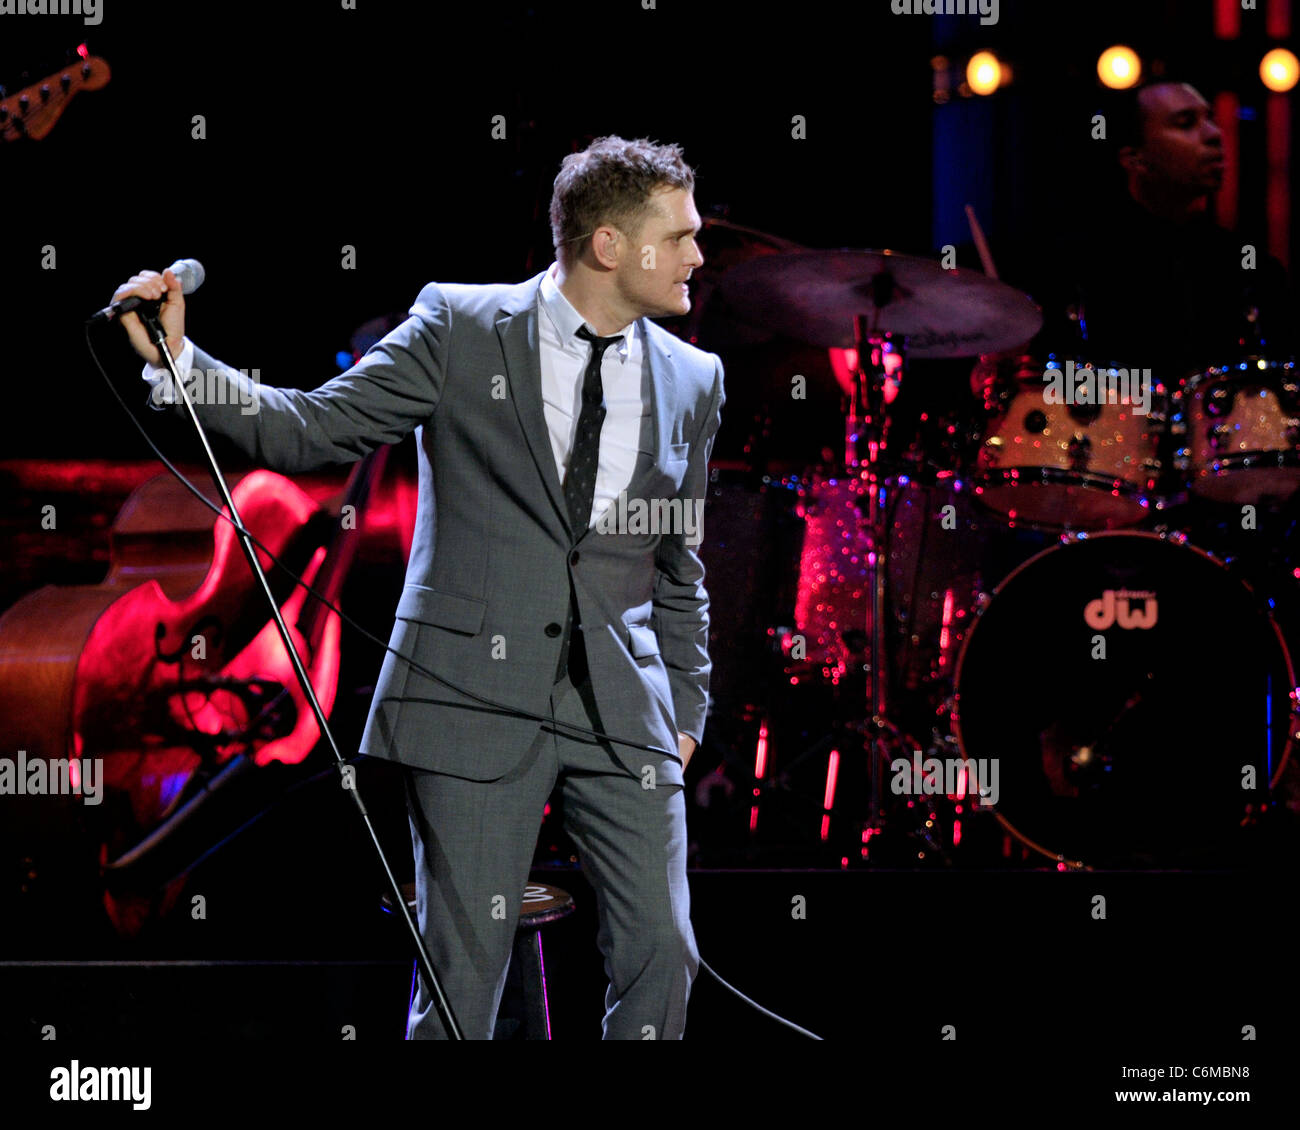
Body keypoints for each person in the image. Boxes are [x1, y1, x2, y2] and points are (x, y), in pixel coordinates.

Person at [108, 135, 725, 1039]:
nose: (699, 257)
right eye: (679, 237)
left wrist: (687, 708)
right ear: (607, 247)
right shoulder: (460, 325)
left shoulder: (694, 378)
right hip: (468, 699)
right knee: (460, 988)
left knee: (664, 957)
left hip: (626, 715)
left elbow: (681, 563)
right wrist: (181, 365)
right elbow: (311, 430)